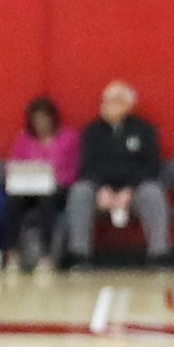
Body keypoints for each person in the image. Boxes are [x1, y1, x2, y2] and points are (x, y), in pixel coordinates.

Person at [64, 79, 165, 263]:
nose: (106, 105)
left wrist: (129, 190)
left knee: (153, 193)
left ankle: (158, 255)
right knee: (80, 192)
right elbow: (87, 166)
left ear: (128, 105)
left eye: (113, 101)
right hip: (101, 192)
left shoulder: (144, 130)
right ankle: (79, 255)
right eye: (104, 101)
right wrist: (102, 188)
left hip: (134, 191)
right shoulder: (92, 131)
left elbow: (151, 166)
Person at [0, 94, 74, 280]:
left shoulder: (68, 138)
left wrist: (55, 178)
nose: (41, 123)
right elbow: (13, 165)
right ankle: (12, 254)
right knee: (12, 203)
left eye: (44, 118)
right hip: (27, 187)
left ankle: (46, 257)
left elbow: (72, 169)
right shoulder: (24, 139)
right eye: (36, 119)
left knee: (46, 202)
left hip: (57, 188)